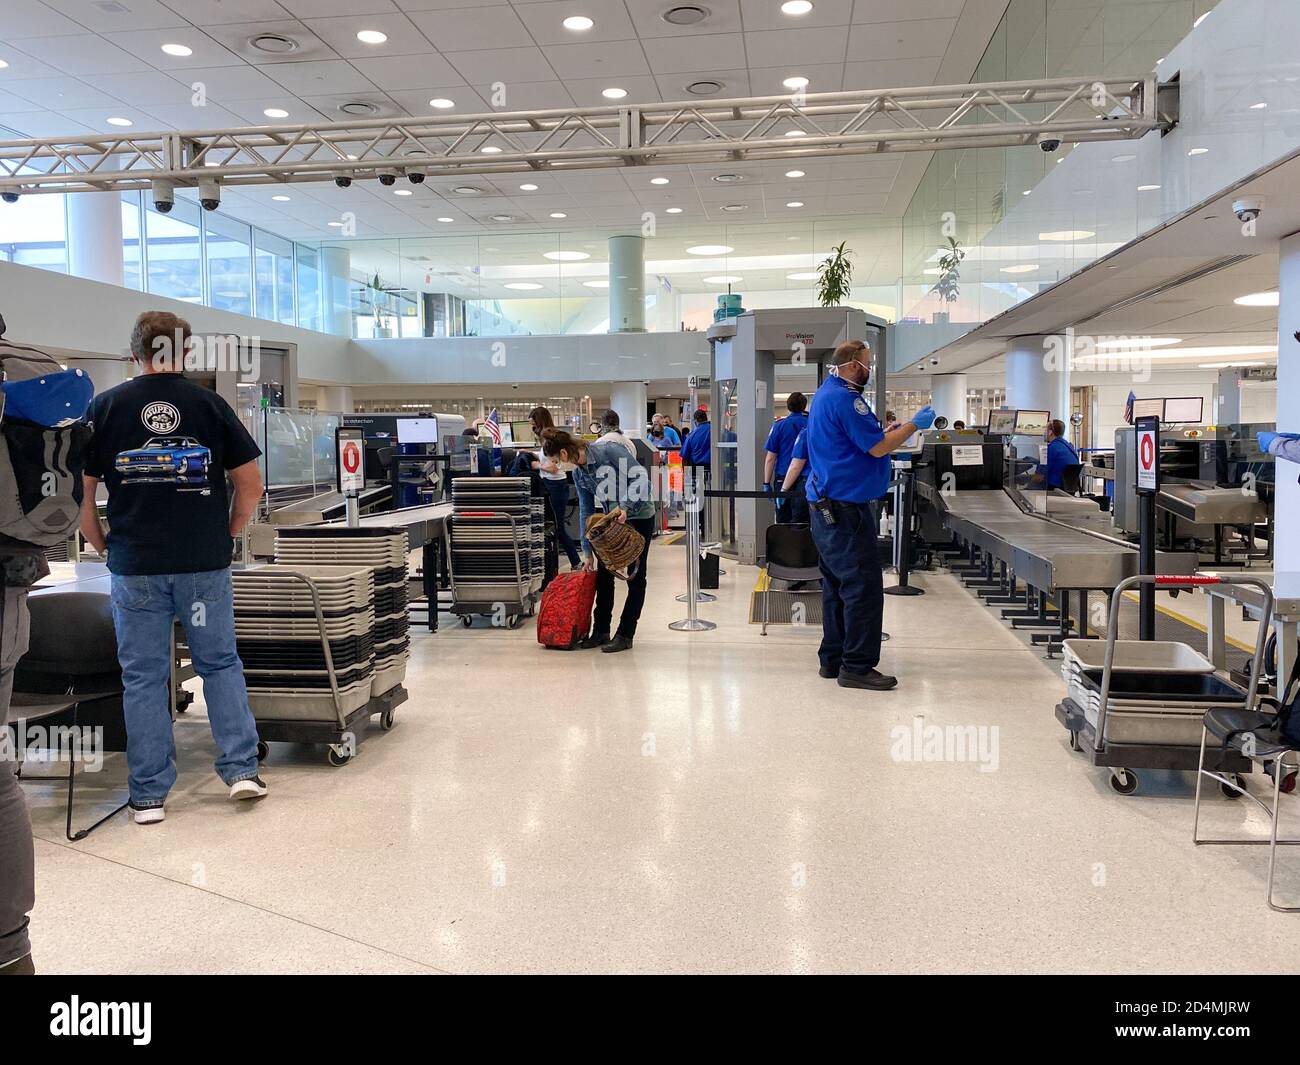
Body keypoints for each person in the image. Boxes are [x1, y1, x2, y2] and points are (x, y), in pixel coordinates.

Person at [79, 311, 267, 824]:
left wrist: (100, 542)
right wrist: (226, 533)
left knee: (143, 677)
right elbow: (251, 486)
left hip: (135, 568)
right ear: (185, 353)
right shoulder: (210, 406)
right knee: (219, 663)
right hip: (202, 569)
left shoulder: (104, 407)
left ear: (134, 351)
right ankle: (240, 771)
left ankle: (147, 796)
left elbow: (83, 491)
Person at [805, 339, 935, 691]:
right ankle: (857, 666)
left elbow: (860, 443)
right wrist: (913, 425)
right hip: (846, 512)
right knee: (863, 588)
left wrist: (889, 432)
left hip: (826, 507)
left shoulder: (824, 395)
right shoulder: (847, 399)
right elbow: (877, 448)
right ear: (850, 366)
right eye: (866, 363)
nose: (869, 369)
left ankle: (832, 660)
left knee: (836, 586)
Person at [541, 428, 655, 654]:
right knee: (604, 575)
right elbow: (585, 510)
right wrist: (587, 552)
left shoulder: (608, 451)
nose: (556, 466)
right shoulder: (579, 473)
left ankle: (625, 634)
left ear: (564, 453)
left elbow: (641, 478)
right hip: (610, 525)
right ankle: (601, 631)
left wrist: (625, 506)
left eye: (556, 461)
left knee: (635, 576)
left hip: (639, 515)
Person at [527, 407, 581, 571]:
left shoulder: (549, 440)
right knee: (555, 526)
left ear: (539, 421)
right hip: (556, 485)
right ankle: (573, 562)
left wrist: (535, 464)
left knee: (556, 527)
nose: (532, 426)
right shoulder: (547, 439)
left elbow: (553, 467)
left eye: (533, 423)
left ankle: (575, 561)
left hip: (555, 486)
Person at [764, 392, 809, 523]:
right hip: (805, 478)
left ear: (788, 406)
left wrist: (766, 483)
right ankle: (802, 543)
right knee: (802, 520)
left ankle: (784, 543)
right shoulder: (811, 424)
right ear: (804, 406)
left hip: (783, 477)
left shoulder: (779, 426)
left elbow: (770, 458)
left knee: (783, 519)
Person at [1032, 418, 1080, 489]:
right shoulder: (1069, 447)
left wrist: (1027, 482)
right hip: (1068, 491)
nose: (1044, 433)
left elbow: (1039, 478)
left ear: (1050, 432)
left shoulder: (1049, 449)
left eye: (1045, 430)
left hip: (1053, 489)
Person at [781, 428, 812, 525]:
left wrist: (784, 490)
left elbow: (796, 466)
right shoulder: (840, 430)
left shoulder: (807, 432)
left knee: (800, 523)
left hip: (807, 482)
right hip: (835, 483)